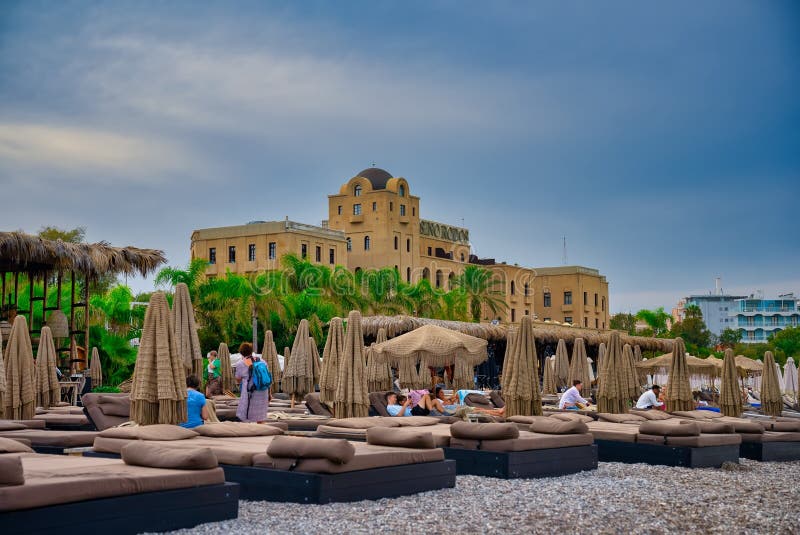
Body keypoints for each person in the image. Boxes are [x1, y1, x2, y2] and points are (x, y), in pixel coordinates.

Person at [235, 342, 269, 423]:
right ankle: (263, 431)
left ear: (241, 352)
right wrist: (270, 394)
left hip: (250, 391)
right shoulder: (262, 361)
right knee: (261, 415)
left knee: (247, 413)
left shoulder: (241, 363)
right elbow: (266, 376)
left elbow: (238, 379)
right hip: (263, 390)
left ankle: (249, 431)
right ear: (251, 351)